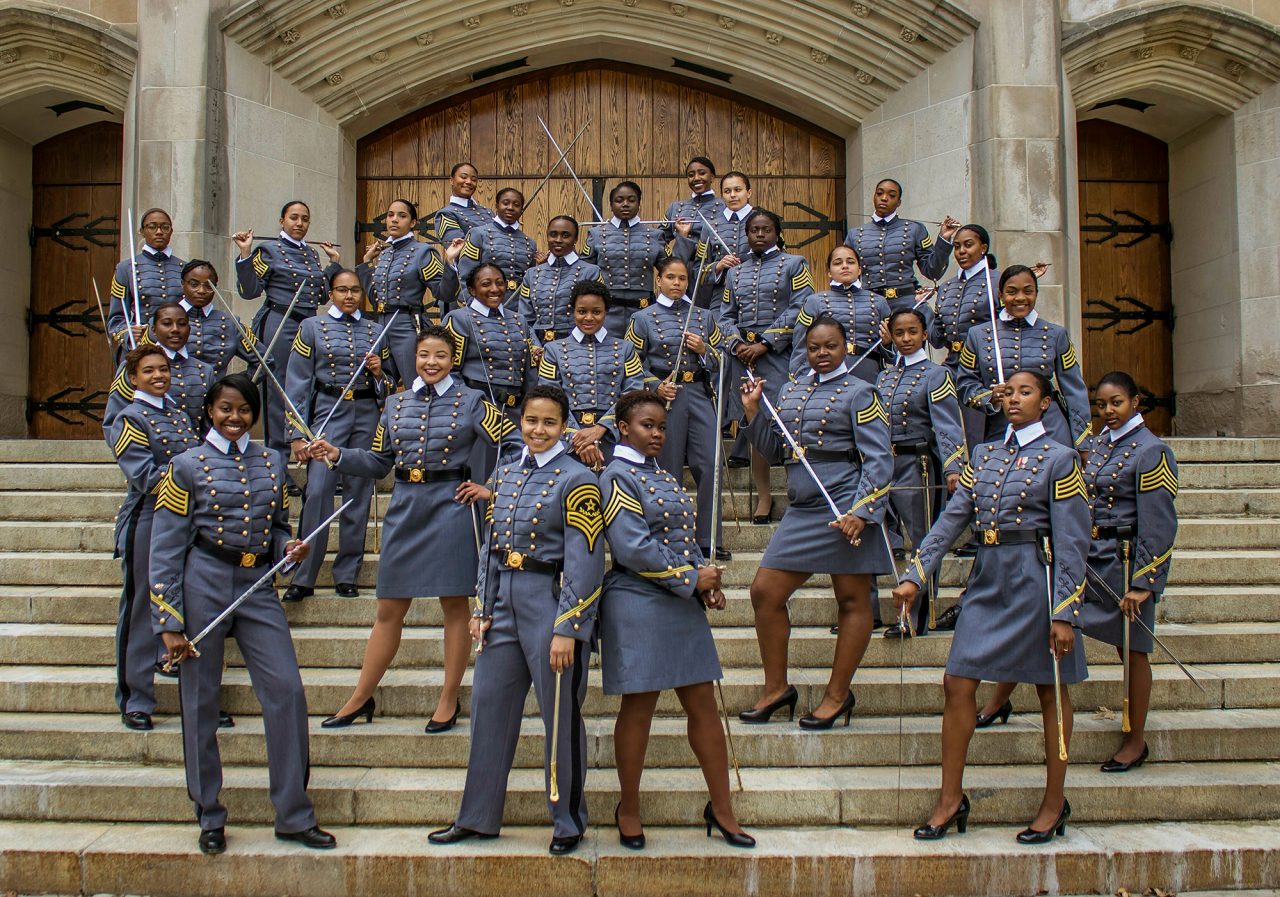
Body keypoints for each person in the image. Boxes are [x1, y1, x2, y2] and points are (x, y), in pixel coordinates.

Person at [892, 369, 1090, 845]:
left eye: (1027, 392)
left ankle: (1053, 802)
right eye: (1010, 392)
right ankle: (950, 798)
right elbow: (953, 518)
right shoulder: (985, 454)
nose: (1015, 399)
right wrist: (916, 574)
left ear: (1045, 404)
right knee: (957, 681)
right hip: (988, 577)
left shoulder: (1061, 459)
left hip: (1034, 579)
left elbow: (1073, 540)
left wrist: (1065, 611)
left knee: (1049, 691)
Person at [149, 373, 335, 855]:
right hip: (203, 580)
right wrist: (168, 621)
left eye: (244, 411)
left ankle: (294, 813)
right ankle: (209, 813)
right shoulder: (185, 466)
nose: (235, 418)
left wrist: (286, 548)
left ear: (255, 415)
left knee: (287, 691)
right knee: (200, 702)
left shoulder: (271, 461)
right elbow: (166, 548)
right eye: (226, 409)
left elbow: (274, 526)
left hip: (256, 587)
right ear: (210, 410)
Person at [429, 385, 605, 856]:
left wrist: (570, 626)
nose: (539, 430)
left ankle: (567, 821)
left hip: (548, 601)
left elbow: (585, 560)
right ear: (521, 422)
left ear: (565, 427)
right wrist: (483, 608)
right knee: (489, 708)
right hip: (503, 603)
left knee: (560, 717)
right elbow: (490, 547)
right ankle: (477, 816)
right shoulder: (505, 474)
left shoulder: (578, 480)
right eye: (531, 421)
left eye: (549, 423)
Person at [309, 326, 510, 733]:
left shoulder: (473, 400)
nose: (430, 362)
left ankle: (448, 697)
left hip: (452, 507)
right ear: (413, 358)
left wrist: (494, 486)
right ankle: (360, 696)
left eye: (439, 355)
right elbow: (380, 461)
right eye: (423, 355)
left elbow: (519, 442)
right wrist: (338, 455)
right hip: (405, 507)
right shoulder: (395, 404)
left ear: (452, 359)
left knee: (454, 606)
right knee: (388, 608)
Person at [601, 391, 754, 849]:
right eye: (648, 425)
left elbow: (681, 537)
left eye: (662, 427)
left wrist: (705, 582)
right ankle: (628, 807)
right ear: (623, 427)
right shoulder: (615, 476)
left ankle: (722, 808)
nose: (658, 433)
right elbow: (630, 547)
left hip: (679, 596)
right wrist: (691, 577)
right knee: (640, 706)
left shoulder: (660, 473)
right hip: (635, 597)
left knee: (703, 705)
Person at [736, 316, 893, 729]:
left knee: (853, 600)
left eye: (831, 346)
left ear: (846, 347)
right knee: (764, 591)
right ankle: (777, 688)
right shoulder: (792, 390)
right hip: (804, 507)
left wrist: (863, 512)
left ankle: (838, 695)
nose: (821, 354)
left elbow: (879, 460)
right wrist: (753, 414)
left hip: (844, 503)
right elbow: (775, 451)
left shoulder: (862, 392)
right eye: (814, 347)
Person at [1080, 370, 1178, 772]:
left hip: (1126, 560)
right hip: (1094, 556)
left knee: (1132, 651)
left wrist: (1144, 583)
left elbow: (1160, 523)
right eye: (1101, 405)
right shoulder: (1099, 444)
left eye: (1116, 402)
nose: (1108, 411)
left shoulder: (1151, 450)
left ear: (1135, 402)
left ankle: (1135, 740)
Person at [281, 269, 394, 603]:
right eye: (342, 290)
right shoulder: (311, 328)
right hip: (328, 412)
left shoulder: (376, 331)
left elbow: (388, 387)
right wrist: (297, 435)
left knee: (358, 495)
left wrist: (377, 373)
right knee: (317, 490)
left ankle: (348, 574)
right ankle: (304, 575)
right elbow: (297, 384)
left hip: (366, 415)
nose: (349, 296)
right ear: (330, 293)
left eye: (355, 291)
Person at [106, 345, 202, 730]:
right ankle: (136, 699)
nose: (159, 376)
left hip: (185, 519)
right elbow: (145, 477)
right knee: (142, 609)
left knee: (185, 606)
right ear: (133, 378)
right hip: (149, 517)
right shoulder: (129, 418)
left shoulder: (178, 415)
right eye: (149, 371)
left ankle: (193, 694)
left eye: (163, 369)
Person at [625, 256, 727, 561]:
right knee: (667, 469)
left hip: (697, 393)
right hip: (664, 400)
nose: (676, 284)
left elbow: (723, 361)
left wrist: (704, 350)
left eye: (682, 279)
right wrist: (654, 386)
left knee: (709, 465)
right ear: (659, 280)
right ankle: (670, 536)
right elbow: (630, 365)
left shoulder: (704, 317)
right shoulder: (641, 319)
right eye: (670, 277)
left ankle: (709, 538)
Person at [875, 307, 967, 637]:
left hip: (919, 464)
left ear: (925, 335)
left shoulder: (936, 375)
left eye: (913, 332)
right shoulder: (883, 377)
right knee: (882, 536)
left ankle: (916, 616)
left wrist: (954, 466)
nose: (906, 339)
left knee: (922, 538)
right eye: (899, 333)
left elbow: (947, 425)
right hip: (885, 464)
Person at [719, 208, 813, 523]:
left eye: (766, 229)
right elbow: (725, 315)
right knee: (756, 425)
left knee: (787, 423)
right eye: (754, 230)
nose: (760, 234)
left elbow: (803, 306)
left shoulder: (795, 264)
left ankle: (798, 492)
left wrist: (766, 342)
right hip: (743, 357)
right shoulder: (735, 272)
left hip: (778, 356)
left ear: (777, 232)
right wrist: (736, 343)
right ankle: (763, 497)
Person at [233, 200, 342, 457]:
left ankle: (311, 451)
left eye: (305, 219)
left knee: (312, 386)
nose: (300, 223)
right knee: (279, 390)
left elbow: (322, 296)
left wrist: (334, 264)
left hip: (309, 326)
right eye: (294, 218)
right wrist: (245, 254)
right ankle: (278, 461)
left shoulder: (312, 254)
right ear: (282, 221)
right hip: (280, 323)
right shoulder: (267, 251)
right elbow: (249, 291)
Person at [957, 265, 1092, 455]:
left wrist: (1083, 443)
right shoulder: (977, 335)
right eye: (1012, 292)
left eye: (1028, 291)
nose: (1020, 298)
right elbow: (965, 385)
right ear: (1000, 295)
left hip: (1051, 429)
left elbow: (1075, 391)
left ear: (1036, 293)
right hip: (1001, 430)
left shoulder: (1056, 334)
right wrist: (990, 397)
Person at [537, 282, 645, 467]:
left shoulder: (626, 348)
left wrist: (601, 428)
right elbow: (549, 398)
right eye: (581, 311)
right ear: (573, 311)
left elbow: (634, 395)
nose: (588, 318)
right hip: (566, 439)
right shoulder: (553, 349)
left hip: (614, 437)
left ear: (606, 312)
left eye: (596, 312)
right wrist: (577, 439)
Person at [441, 262, 534, 476]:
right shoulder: (458, 319)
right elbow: (451, 371)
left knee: (515, 476)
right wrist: (470, 405)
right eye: (486, 284)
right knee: (482, 478)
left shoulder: (519, 320)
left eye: (499, 283)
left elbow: (528, 369)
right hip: (480, 412)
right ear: (472, 290)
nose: (494, 289)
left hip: (514, 411)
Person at [357, 198, 463, 385]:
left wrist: (450, 262)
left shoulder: (423, 252)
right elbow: (376, 299)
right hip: (380, 327)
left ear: (413, 223)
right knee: (381, 386)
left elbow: (443, 293)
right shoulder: (385, 254)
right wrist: (366, 264)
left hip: (407, 327)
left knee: (414, 387)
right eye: (390, 215)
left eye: (402, 215)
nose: (394, 220)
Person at [844, 179, 955, 314]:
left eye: (892, 195)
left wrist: (943, 239)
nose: (884, 198)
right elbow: (845, 273)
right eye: (879, 193)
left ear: (899, 202)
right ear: (874, 196)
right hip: (870, 305)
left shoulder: (915, 229)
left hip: (907, 303)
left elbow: (932, 271)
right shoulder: (855, 234)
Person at [104, 303, 215, 429]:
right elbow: (114, 423)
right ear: (154, 330)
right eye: (167, 324)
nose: (175, 329)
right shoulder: (132, 366)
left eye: (182, 324)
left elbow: (210, 424)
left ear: (189, 329)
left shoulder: (205, 370)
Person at [791, 244, 891, 383]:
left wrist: (888, 343)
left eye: (850, 262)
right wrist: (801, 379)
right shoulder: (814, 301)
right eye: (838, 263)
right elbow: (800, 345)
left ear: (859, 269)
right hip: (827, 374)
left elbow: (894, 351)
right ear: (829, 272)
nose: (845, 266)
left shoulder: (879, 302)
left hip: (869, 372)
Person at [583, 181, 670, 332]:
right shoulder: (596, 235)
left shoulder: (655, 236)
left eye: (631, 200)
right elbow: (582, 271)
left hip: (644, 311)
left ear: (639, 203)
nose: (625, 204)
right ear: (611, 205)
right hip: (607, 314)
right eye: (619, 200)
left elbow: (672, 269)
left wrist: (683, 238)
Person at [518, 215, 606, 347]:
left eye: (565, 235)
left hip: (576, 348)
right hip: (538, 347)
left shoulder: (591, 272)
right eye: (553, 235)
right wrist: (534, 347)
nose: (558, 240)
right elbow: (524, 319)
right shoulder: (532, 274)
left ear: (575, 238)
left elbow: (595, 316)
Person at [108, 207, 185, 352]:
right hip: (142, 346)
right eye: (152, 227)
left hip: (179, 346)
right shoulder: (126, 268)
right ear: (142, 231)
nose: (159, 232)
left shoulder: (185, 268)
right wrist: (128, 332)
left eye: (165, 227)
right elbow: (116, 319)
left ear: (171, 232)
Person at [678, 170, 754, 307]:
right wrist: (718, 266)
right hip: (721, 300)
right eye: (727, 191)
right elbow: (698, 271)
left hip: (757, 295)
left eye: (738, 190)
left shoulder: (764, 221)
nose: (733, 195)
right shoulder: (710, 227)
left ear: (748, 193)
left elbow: (778, 259)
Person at [456, 187, 539, 308]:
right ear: (497, 206)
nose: (510, 207)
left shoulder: (530, 243)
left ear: (521, 210)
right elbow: (465, 275)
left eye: (516, 205)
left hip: (518, 309)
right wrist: (471, 304)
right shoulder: (478, 234)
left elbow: (528, 282)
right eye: (505, 203)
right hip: (483, 305)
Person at [177, 260, 257, 377]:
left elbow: (264, 361)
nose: (201, 291)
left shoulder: (231, 323)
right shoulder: (163, 319)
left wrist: (234, 387)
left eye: (208, 286)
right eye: (194, 285)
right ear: (182, 284)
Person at [662, 156, 727, 247]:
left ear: (712, 177)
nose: (696, 178)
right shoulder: (675, 207)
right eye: (691, 175)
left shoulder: (724, 206)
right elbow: (659, 239)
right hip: (680, 258)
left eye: (702, 173)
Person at [429, 162, 495, 243]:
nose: (469, 182)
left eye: (474, 179)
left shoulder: (488, 212)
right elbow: (459, 249)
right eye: (463, 177)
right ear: (451, 180)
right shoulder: (446, 214)